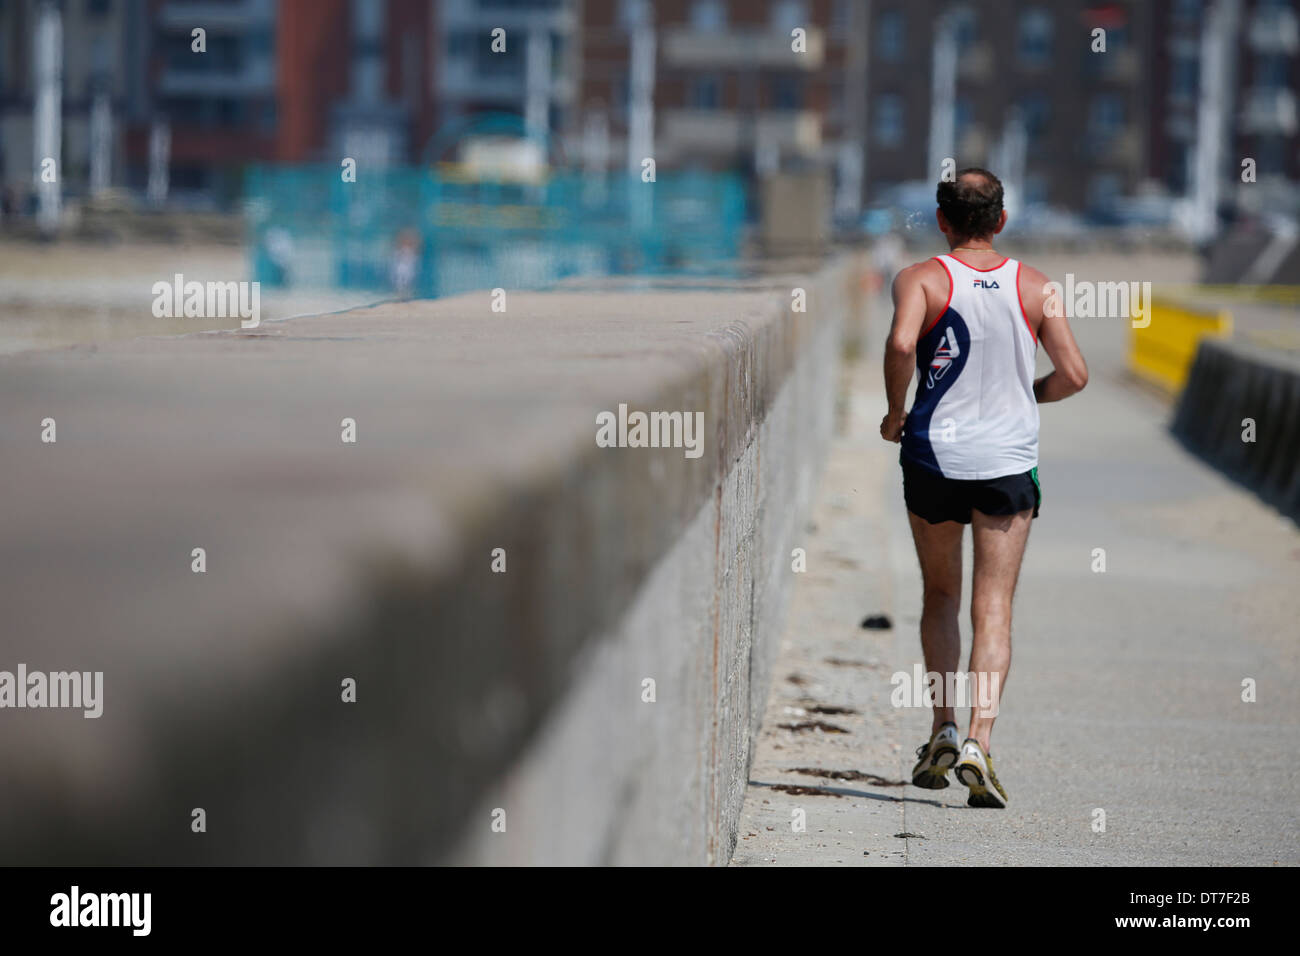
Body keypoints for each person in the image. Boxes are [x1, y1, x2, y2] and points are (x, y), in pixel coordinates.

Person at [880, 168, 1088, 808]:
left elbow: (900, 343)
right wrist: (1025, 397)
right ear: (1000, 221)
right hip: (1005, 462)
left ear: (943, 220)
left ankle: (940, 724)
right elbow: (1075, 375)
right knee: (992, 606)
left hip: (934, 455)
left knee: (940, 593)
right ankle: (978, 741)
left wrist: (895, 412)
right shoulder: (1037, 287)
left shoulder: (919, 278)